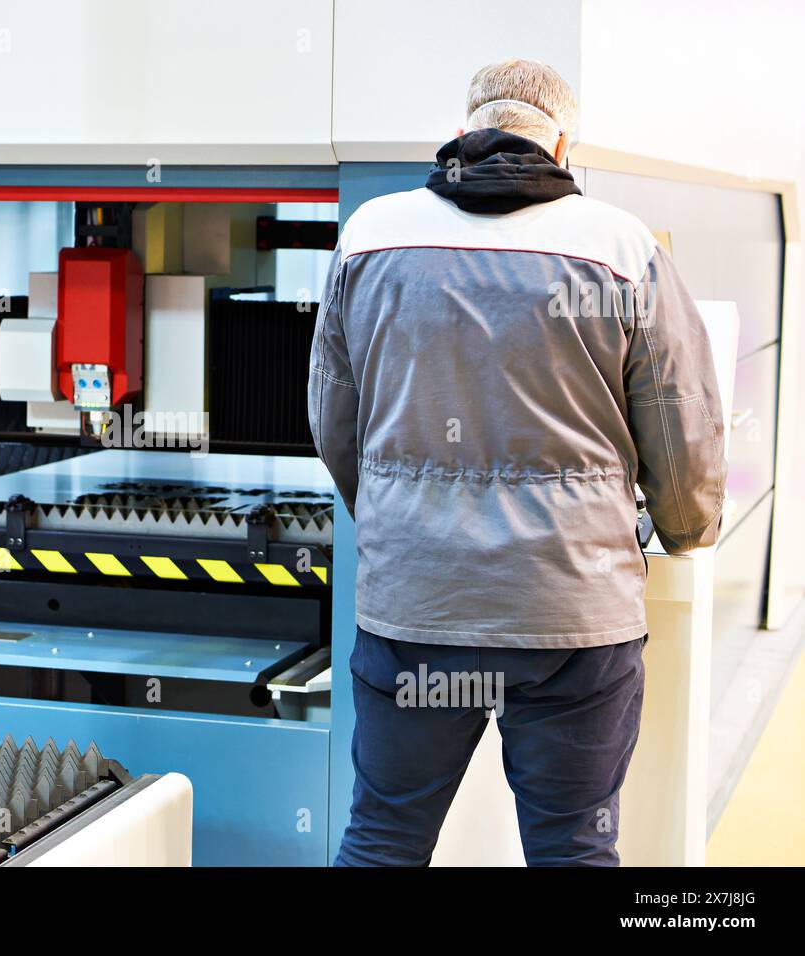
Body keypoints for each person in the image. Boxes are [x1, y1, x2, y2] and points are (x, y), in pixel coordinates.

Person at [307, 58, 726, 866]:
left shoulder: (371, 234)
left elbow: (334, 419)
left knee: (384, 837)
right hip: (573, 613)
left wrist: (399, 517)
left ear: (467, 129)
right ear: (564, 143)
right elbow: (680, 427)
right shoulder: (620, 246)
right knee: (572, 848)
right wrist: (684, 530)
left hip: (415, 610)